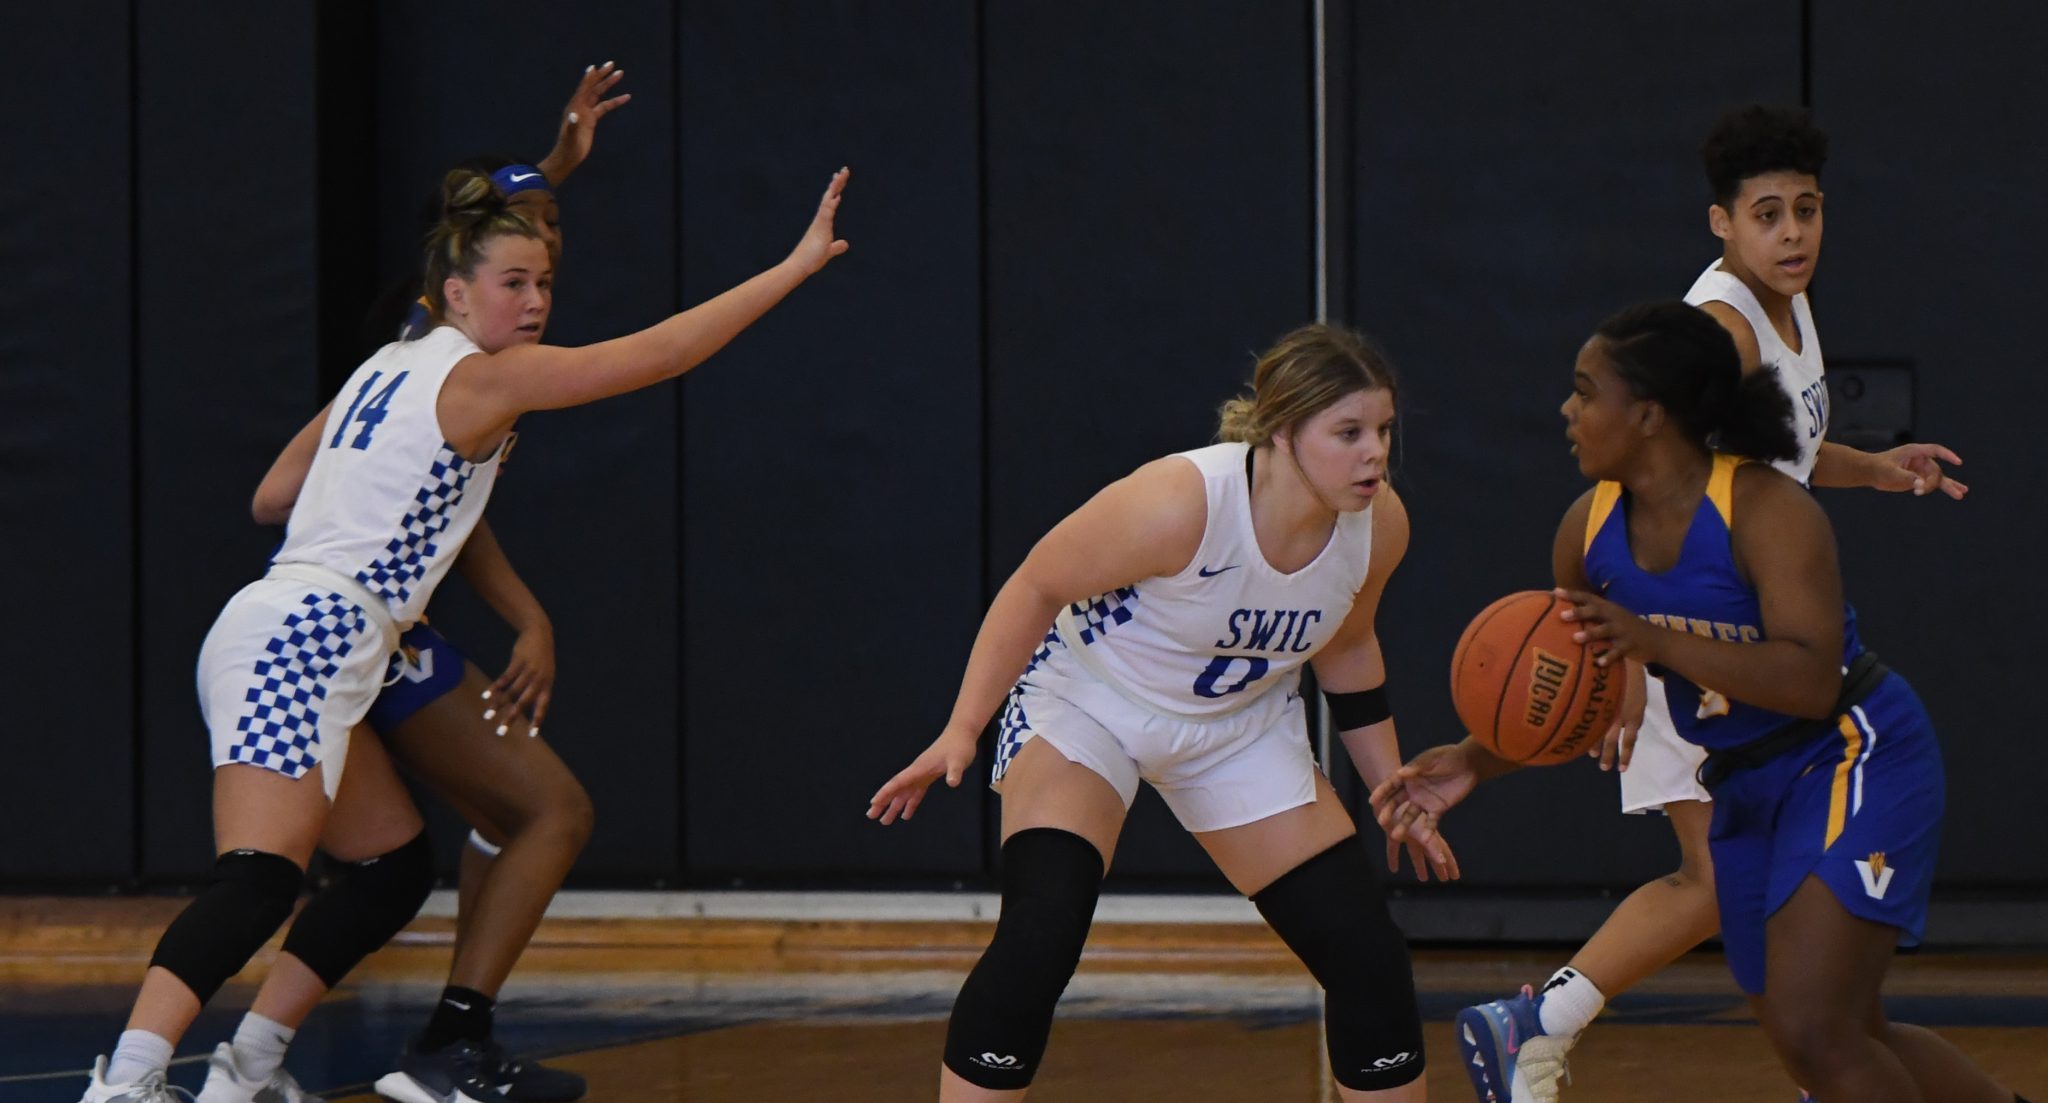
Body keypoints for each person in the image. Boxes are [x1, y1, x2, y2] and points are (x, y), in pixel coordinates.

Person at [78, 161, 851, 1103]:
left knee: (386, 864)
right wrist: (796, 265)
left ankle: (244, 1070)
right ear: (456, 292)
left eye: (545, 284)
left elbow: (274, 493)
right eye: (513, 284)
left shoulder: (388, 363)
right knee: (257, 880)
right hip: (312, 632)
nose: (534, 302)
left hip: (312, 624)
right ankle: (127, 1084)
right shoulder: (489, 378)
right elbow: (663, 352)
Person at [1375, 302, 2024, 1103]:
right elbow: (1576, 698)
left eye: (1585, 393)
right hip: (1744, 781)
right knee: (1828, 1033)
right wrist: (1474, 758)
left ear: (1647, 415)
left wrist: (1655, 639)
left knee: (1820, 1027)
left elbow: (1812, 680)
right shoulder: (1586, 532)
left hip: (1854, 751)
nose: (1567, 412)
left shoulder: (1766, 511)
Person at [1454, 105, 1967, 1103]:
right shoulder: (1720, 323)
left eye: (1806, 211)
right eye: (1767, 214)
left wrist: (1878, 469)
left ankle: (1554, 1022)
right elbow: (1686, 483)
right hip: (1694, 640)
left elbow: (1785, 450)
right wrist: (1625, 674)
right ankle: (1541, 1020)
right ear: (1719, 223)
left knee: (1803, 987)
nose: (1791, 233)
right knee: (1729, 904)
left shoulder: (1785, 303)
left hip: (1727, 639)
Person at [869, 323, 1455, 1101]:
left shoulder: (1380, 527)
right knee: (1040, 934)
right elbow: (1035, 585)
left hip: (1235, 727)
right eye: (1348, 432)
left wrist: (1391, 788)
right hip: (1091, 701)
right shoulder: (1181, 502)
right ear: (1282, 430)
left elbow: (1346, 648)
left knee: (1367, 955)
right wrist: (963, 727)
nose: (1375, 453)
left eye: (1382, 429)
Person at [194, 63, 632, 1103]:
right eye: (521, 252)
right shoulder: (440, 346)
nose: (541, 266)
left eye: (550, 249)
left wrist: (559, 163)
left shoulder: (432, 338)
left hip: (346, 615)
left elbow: (374, 501)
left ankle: (261, 1056)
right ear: (463, 273)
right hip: (359, 628)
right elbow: (314, 495)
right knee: (549, 810)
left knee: (419, 856)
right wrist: (557, 159)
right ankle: (445, 1042)